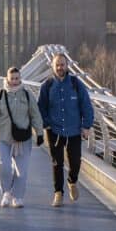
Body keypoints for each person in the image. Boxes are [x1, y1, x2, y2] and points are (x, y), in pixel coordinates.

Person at [0, 66, 45, 208]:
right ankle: (7, 192)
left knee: (22, 170)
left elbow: (35, 115)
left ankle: (18, 196)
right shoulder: (0, 94)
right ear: (7, 79)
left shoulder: (27, 95)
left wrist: (39, 133)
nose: (15, 81)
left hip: (23, 138)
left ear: (20, 78)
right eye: (12, 78)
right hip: (3, 137)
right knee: (3, 165)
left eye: (17, 78)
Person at [38, 51, 94, 207]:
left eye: (62, 64)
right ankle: (58, 193)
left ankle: (72, 181)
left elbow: (86, 106)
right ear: (52, 66)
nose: (60, 67)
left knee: (75, 161)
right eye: (57, 65)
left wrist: (86, 126)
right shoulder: (47, 86)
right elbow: (40, 108)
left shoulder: (76, 84)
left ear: (67, 66)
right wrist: (46, 123)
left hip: (74, 130)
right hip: (54, 130)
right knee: (57, 163)